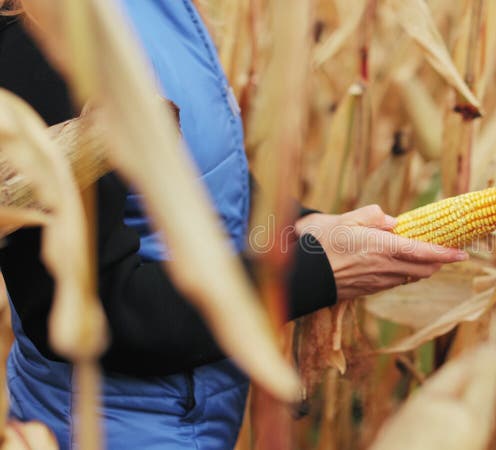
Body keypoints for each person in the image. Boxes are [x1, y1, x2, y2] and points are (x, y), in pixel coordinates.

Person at [0, 1, 466, 448]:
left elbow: (210, 180)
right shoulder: (38, 29)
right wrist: (316, 271)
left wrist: (308, 228)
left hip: (200, 417)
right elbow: (93, 306)